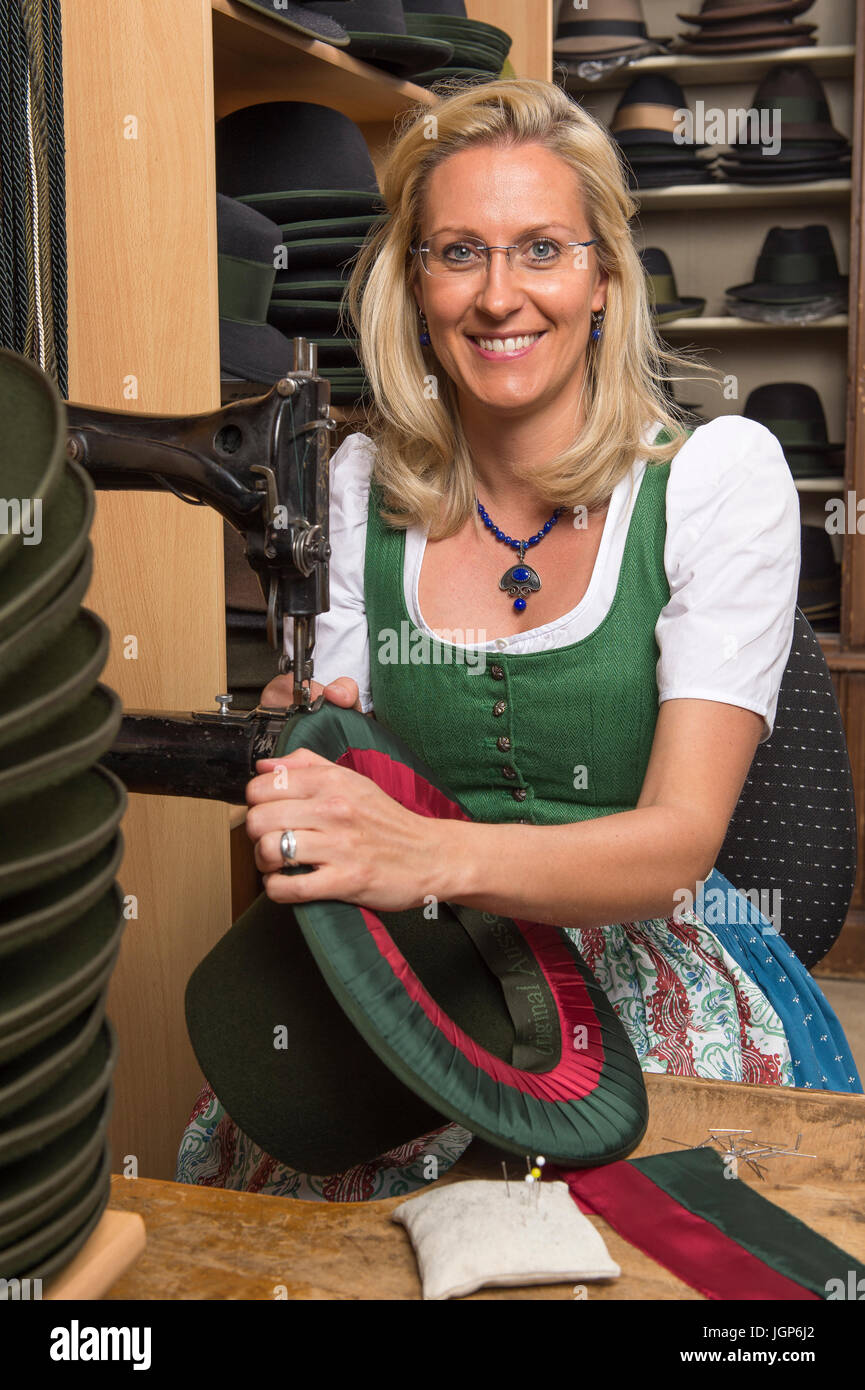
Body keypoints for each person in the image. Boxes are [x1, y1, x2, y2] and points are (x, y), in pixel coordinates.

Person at [177, 79, 861, 1202]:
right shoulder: (356, 490)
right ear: (415, 283)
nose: (500, 297)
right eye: (459, 252)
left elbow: (678, 840)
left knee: (651, 1252)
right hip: (424, 956)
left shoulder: (712, 480)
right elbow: (330, 778)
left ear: (601, 278)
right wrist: (313, 750)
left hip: (636, 967)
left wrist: (428, 853)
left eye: (540, 248)